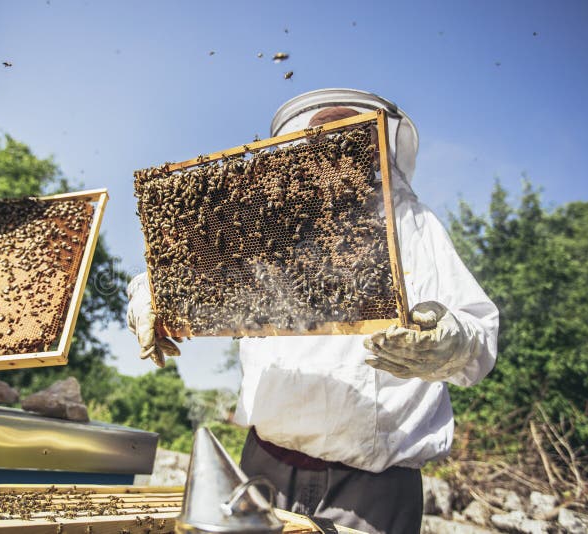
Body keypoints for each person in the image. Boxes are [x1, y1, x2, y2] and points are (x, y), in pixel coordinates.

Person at [126, 88, 499, 534]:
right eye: (319, 133)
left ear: (374, 143)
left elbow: (478, 332)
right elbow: (192, 266)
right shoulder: (264, 223)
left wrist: (452, 339)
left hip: (373, 491)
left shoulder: (413, 226)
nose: (331, 141)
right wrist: (149, 292)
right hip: (263, 466)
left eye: (347, 132)